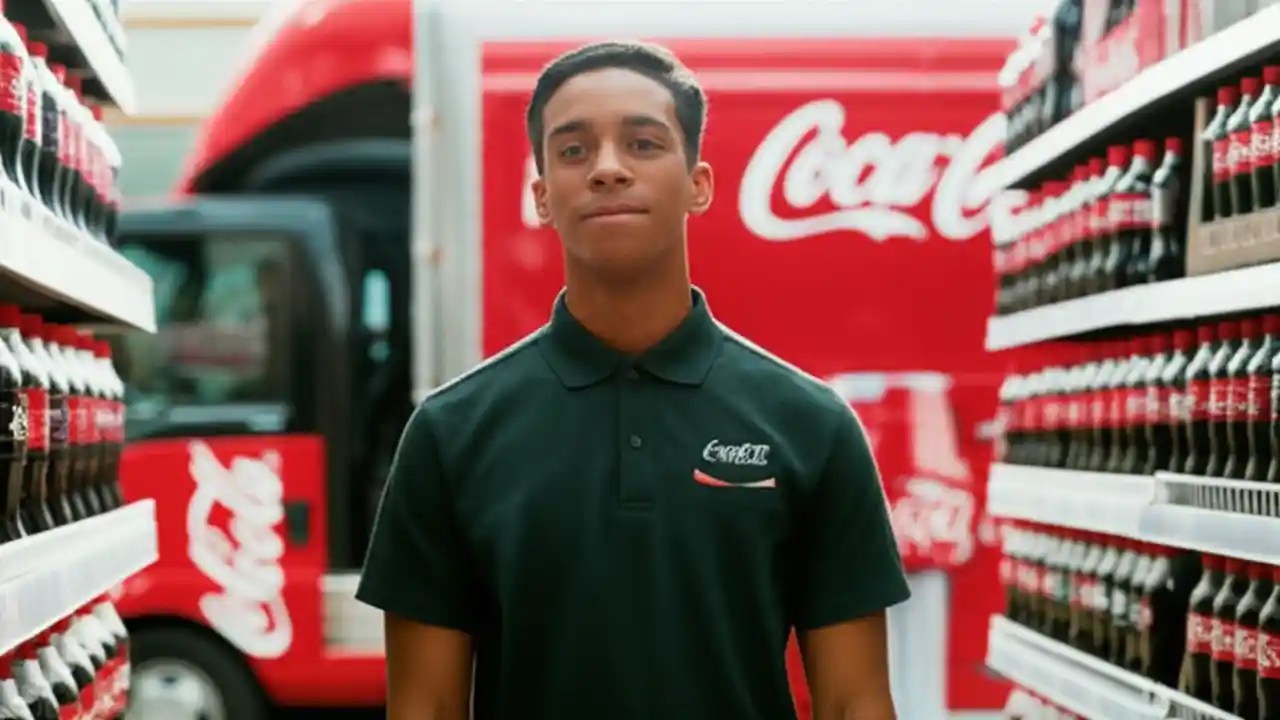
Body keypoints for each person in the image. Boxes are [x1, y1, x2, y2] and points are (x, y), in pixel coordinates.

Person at [356, 40, 910, 720]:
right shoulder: (451, 433)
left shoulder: (809, 425)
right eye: (573, 151)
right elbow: (424, 707)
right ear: (542, 196)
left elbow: (856, 702)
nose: (608, 169)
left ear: (698, 183)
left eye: (643, 144)